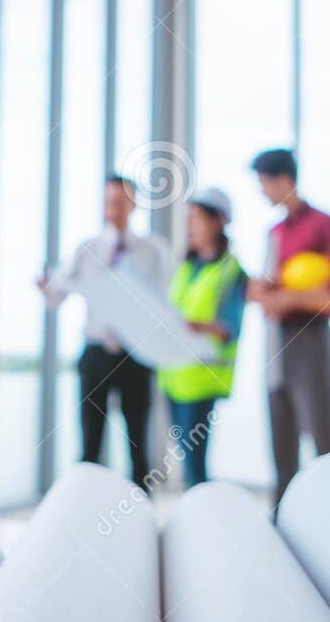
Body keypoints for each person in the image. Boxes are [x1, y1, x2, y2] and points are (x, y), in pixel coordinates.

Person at [246, 148, 330, 509]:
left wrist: (292, 299)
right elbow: (275, 285)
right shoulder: (275, 231)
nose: (262, 191)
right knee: (282, 443)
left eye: (264, 183)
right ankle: (285, 520)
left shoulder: (324, 226)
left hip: (309, 341)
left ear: (284, 180)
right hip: (275, 343)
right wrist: (265, 290)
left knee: (324, 439)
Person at [39, 174, 170, 488]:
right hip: (96, 352)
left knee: (138, 439)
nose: (114, 207)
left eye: (121, 201)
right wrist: (47, 289)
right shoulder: (88, 249)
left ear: (134, 203)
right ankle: (84, 505)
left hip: (134, 354)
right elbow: (58, 294)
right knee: (90, 439)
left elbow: (163, 301)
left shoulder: (151, 252)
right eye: (109, 200)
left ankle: (141, 508)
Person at [158, 188, 246, 488]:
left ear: (219, 222)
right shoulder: (185, 267)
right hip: (174, 376)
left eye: (197, 219)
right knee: (186, 460)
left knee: (195, 467)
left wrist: (197, 327)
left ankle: (202, 520)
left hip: (204, 376)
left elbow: (229, 326)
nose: (190, 227)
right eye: (188, 219)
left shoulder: (231, 271)